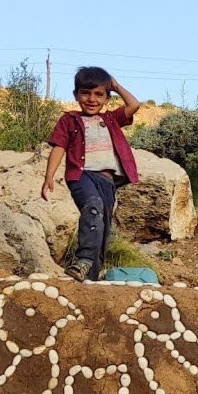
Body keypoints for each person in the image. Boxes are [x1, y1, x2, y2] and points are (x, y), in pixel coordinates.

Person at [41, 67, 142, 281]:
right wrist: (49, 176)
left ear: (107, 98)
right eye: (85, 93)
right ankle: (84, 259)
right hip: (82, 176)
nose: (91, 99)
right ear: (76, 95)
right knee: (93, 206)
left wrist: (115, 85)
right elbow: (59, 147)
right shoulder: (69, 120)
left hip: (108, 183)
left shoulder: (112, 119)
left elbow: (134, 105)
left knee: (103, 230)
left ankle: (90, 278)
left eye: (99, 94)